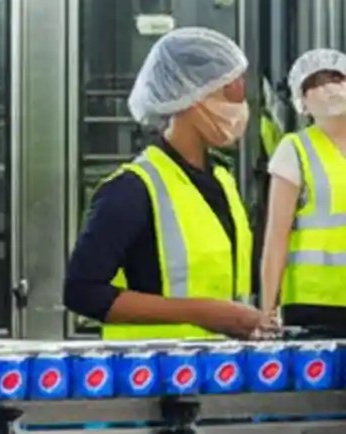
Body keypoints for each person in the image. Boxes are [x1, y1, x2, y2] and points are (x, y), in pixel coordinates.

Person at [64, 27, 276, 340]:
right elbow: (82, 292)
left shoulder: (221, 179)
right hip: (151, 377)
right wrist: (202, 313)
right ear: (190, 96)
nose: (240, 108)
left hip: (215, 375)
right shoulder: (131, 190)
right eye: (230, 93)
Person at [260, 49, 346, 335]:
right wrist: (267, 311)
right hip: (314, 304)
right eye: (315, 85)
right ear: (303, 103)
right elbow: (276, 236)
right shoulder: (295, 150)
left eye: (336, 78)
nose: (328, 90)